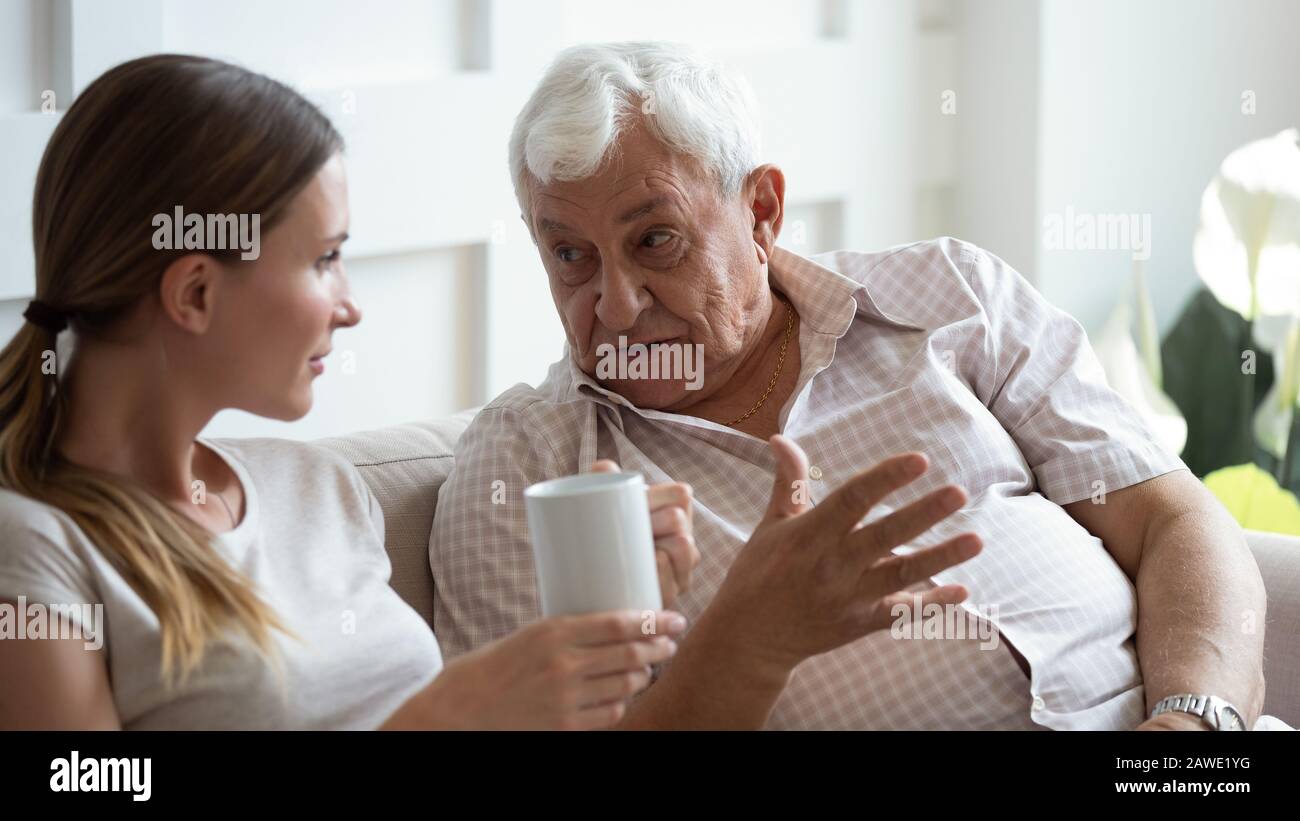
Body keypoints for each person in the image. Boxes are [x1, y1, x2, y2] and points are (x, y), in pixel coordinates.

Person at [0, 54, 697, 730]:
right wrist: (444, 718)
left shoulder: (317, 488)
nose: (350, 307)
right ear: (196, 293)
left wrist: (607, 638)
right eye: (325, 259)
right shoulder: (35, 547)